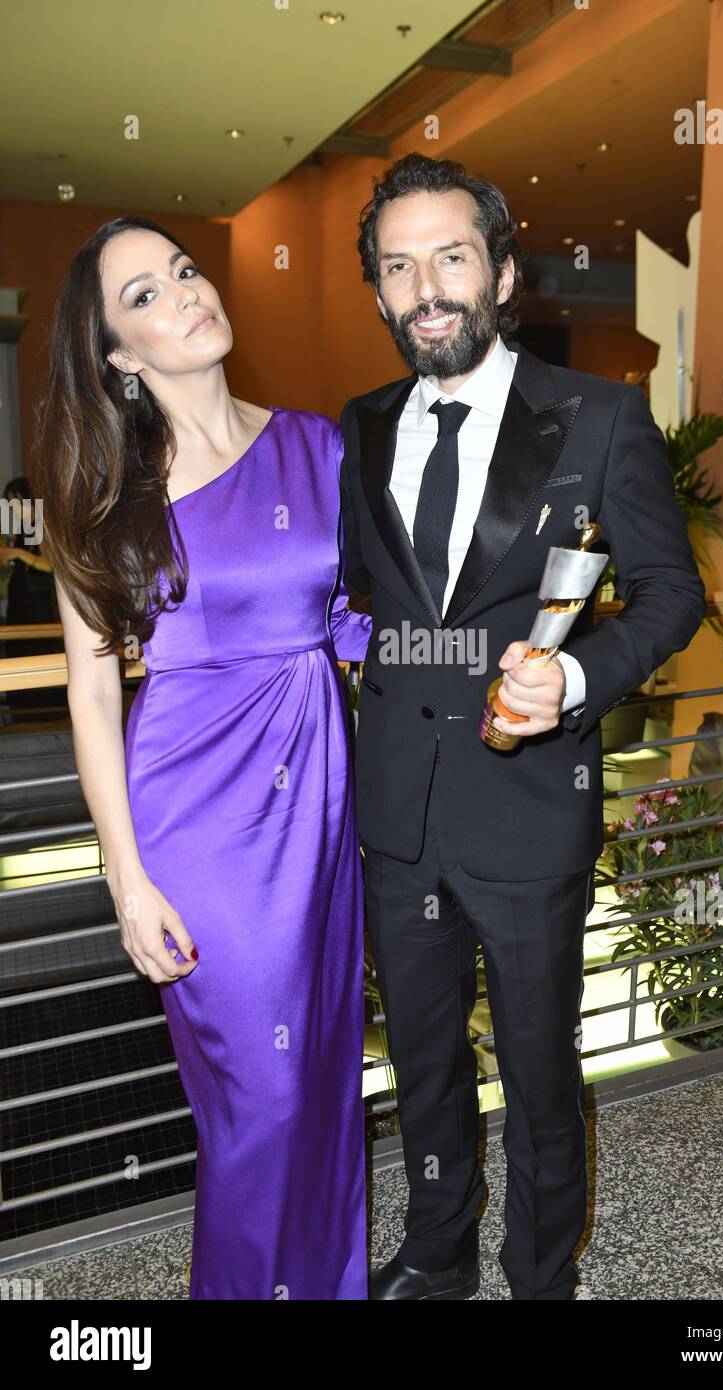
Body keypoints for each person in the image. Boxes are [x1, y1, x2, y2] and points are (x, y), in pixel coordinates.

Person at [339, 153, 707, 1300]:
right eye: (397, 267)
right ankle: (440, 1246)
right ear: (381, 292)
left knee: (542, 1074)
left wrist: (579, 677)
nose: (425, 286)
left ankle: (541, 1272)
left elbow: (669, 593)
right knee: (429, 1067)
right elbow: (355, 601)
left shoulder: (597, 418)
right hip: (397, 813)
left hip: (528, 806)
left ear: (499, 271)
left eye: (449, 255)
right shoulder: (359, 428)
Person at [31, 216, 371, 1299]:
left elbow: (359, 620)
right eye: (143, 295)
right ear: (119, 358)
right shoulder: (102, 499)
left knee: (322, 1082)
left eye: (182, 269)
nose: (184, 292)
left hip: (319, 801)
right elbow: (91, 693)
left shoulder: (319, 444)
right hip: (198, 823)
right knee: (259, 1102)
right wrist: (126, 879)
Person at [0, 475, 60, 715]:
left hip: (38, 604)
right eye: (10, 504)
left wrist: (17, 554)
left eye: (19, 503)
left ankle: (42, 712)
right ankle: (22, 711)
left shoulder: (43, 525)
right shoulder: (20, 530)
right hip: (21, 601)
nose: (15, 509)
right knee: (20, 652)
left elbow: (50, 565)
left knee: (37, 653)